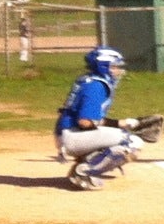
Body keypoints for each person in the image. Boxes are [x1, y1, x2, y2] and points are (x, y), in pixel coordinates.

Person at [55, 47, 146, 190]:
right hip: (72, 135)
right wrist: (120, 124)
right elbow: (85, 122)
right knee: (131, 142)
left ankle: (84, 164)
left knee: (118, 136)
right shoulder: (96, 86)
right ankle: (85, 172)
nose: (118, 70)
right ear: (103, 67)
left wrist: (120, 124)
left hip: (68, 133)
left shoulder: (88, 80)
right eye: (114, 66)